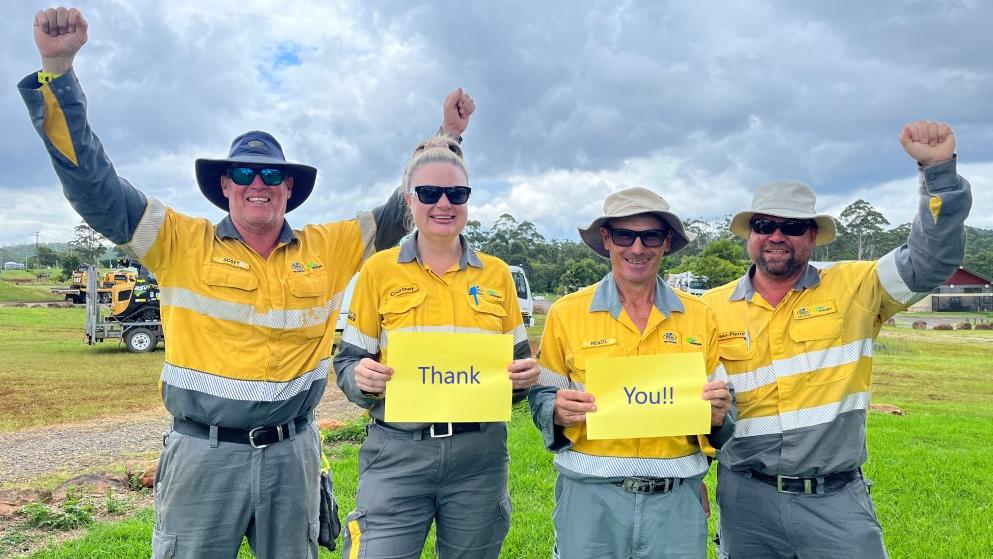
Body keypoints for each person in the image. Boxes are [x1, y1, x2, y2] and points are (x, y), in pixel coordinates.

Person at [19, 7, 475, 559]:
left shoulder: (329, 248)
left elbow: (405, 209)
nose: (257, 184)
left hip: (293, 454)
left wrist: (446, 138)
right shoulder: (177, 241)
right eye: (242, 173)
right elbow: (95, 187)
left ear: (289, 189)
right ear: (224, 187)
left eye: (271, 175)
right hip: (203, 456)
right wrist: (58, 69)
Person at [703, 120, 972, 558]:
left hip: (835, 500)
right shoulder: (708, 309)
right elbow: (691, 407)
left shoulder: (857, 285)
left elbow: (931, 260)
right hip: (745, 501)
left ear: (813, 235)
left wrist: (937, 172)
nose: (776, 236)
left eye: (791, 226)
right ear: (750, 234)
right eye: (765, 224)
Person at [332, 137, 540, 559]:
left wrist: (523, 379)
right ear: (411, 200)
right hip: (397, 452)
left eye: (456, 194)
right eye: (430, 193)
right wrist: (360, 378)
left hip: (478, 458)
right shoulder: (379, 270)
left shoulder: (497, 275)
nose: (443, 203)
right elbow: (348, 361)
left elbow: (519, 365)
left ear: (467, 200)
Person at [527, 187, 734, 558]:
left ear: (666, 242)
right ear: (607, 239)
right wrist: (555, 411)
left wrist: (720, 414)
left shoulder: (701, 316)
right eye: (625, 235)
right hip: (590, 502)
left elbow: (724, 413)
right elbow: (541, 397)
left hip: (676, 504)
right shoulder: (566, 313)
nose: (637, 248)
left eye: (650, 236)